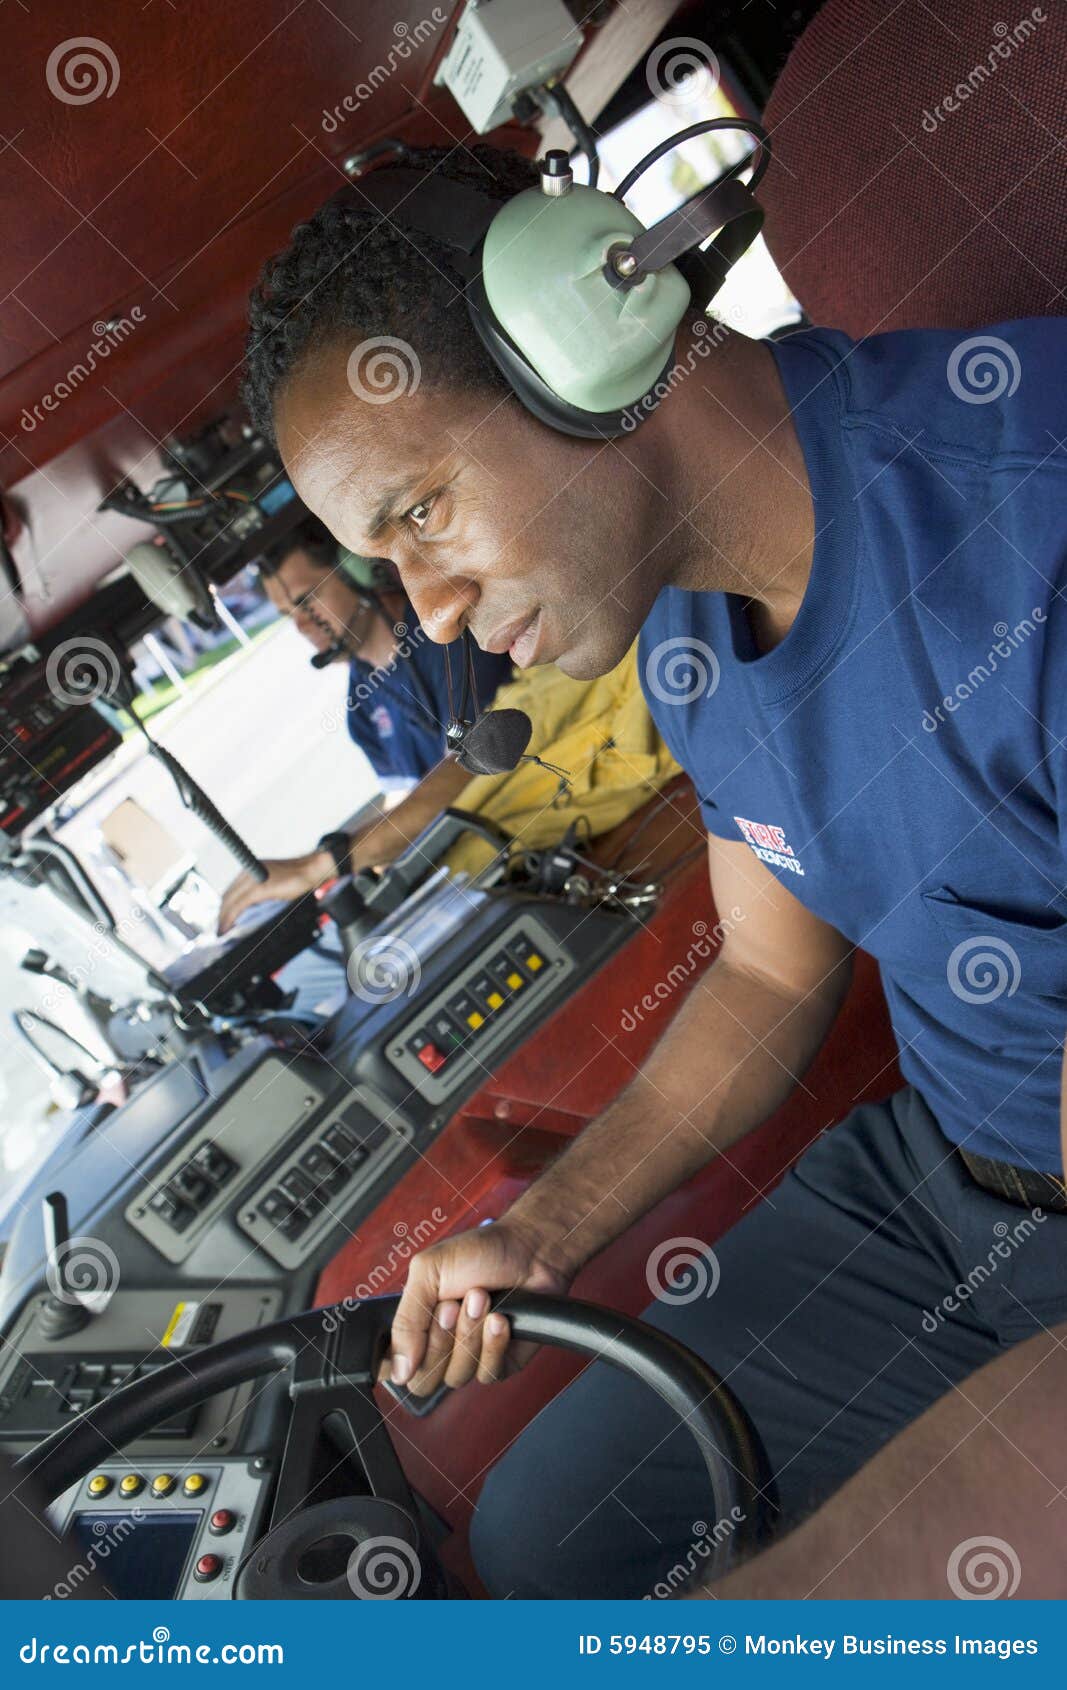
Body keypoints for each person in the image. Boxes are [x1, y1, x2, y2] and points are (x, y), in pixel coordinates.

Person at [240, 142, 1067, 1598]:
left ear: (584, 340)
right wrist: (540, 1229)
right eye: (383, 562)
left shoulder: (1027, 530)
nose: (430, 615)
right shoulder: (687, 640)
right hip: (939, 1183)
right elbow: (764, 972)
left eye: (420, 511)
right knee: (547, 1541)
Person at [218, 516, 511, 929]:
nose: (301, 625)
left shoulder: (444, 630)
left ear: (357, 571)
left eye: (308, 600)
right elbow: (402, 802)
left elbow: (473, 770)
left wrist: (323, 863)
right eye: (287, 614)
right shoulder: (361, 710)